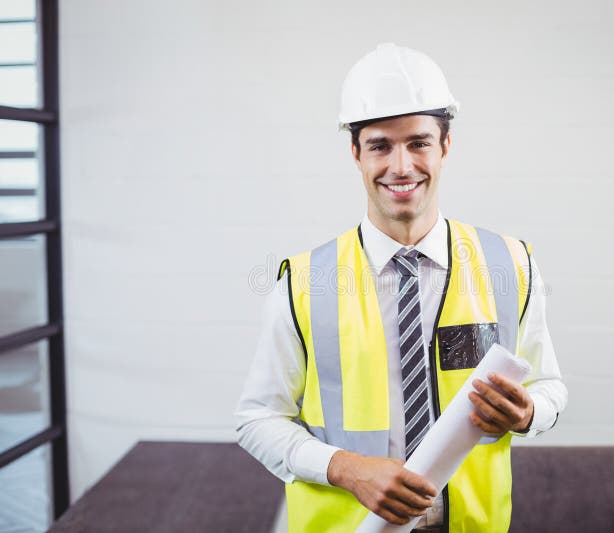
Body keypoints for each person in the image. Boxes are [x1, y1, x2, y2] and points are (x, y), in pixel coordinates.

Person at [234, 42, 567, 533]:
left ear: (445, 145)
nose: (402, 166)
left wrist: (529, 411)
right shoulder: (302, 284)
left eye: (418, 142)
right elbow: (257, 419)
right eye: (380, 145)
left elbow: (550, 387)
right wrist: (347, 469)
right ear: (355, 152)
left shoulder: (511, 264)